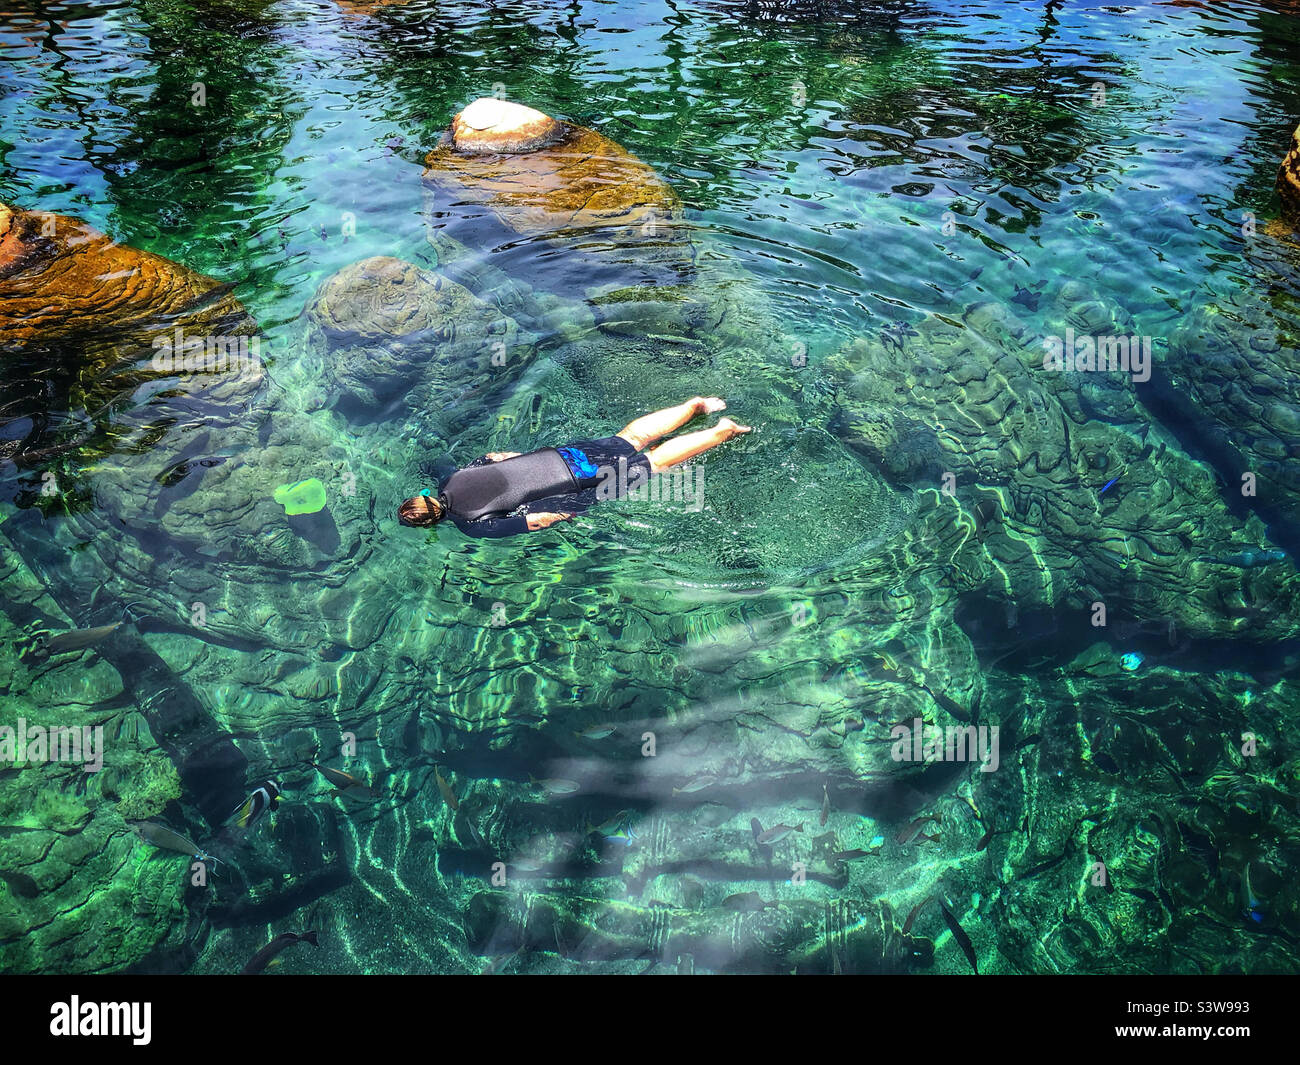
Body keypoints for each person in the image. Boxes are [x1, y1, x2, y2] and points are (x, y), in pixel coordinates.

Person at [397, 397, 751, 537]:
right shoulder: (451, 477)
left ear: (434, 522)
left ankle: (722, 431)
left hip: (576, 484)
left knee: (653, 463)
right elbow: (498, 456)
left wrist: (567, 516)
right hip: (559, 456)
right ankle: (696, 405)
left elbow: (535, 520)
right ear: (424, 498)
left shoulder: (471, 526)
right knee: (632, 436)